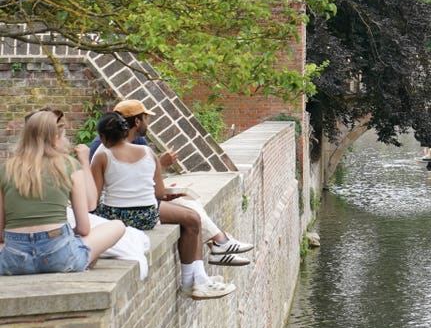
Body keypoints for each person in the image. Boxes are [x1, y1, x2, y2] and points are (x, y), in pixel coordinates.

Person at [91, 111, 235, 300]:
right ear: (126, 132)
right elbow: (159, 194)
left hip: (116, 217)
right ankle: (191, 280)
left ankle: (197, 279)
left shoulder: (101, 155)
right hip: (148, 216)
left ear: (103, 137)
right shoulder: (148, 153)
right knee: (193, 219)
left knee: (192, 217)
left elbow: (94, 197)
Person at [91, 100, 253, 264]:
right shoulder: (108, 148)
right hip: (137, 208)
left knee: (189, 203)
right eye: (146, 118)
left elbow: (135, 177)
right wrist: (161, 164)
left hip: (135, 204)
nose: (148, 123)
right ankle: (218, 244)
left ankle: (218, 244)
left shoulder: (129, 144)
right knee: (190, 216)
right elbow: (121, 180)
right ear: (137, 121)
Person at [0, 109, 126, 276]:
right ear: (54, 138)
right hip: (60, 255)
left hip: (14, 261)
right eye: (64, 136)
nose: (67, 140)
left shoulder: (6, 169)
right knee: (118, 226)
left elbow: (0, 232)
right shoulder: (69, 165)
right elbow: (84, 229)